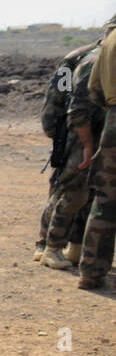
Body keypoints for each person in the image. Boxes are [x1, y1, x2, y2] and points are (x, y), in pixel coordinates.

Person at [37, 41, 101, 267]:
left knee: (78, 188)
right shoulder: (86, 58)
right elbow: (60, 94)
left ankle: (65, 245)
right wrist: (55, 129)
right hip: (77, 128)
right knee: (72, 189)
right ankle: (50, 246)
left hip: (77, 126)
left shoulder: (79, 56)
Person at [76, 17, 116, 291]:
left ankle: (91, 271)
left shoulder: (109, 40)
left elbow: (94, 90)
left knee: (105, 201)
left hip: (113, 123)